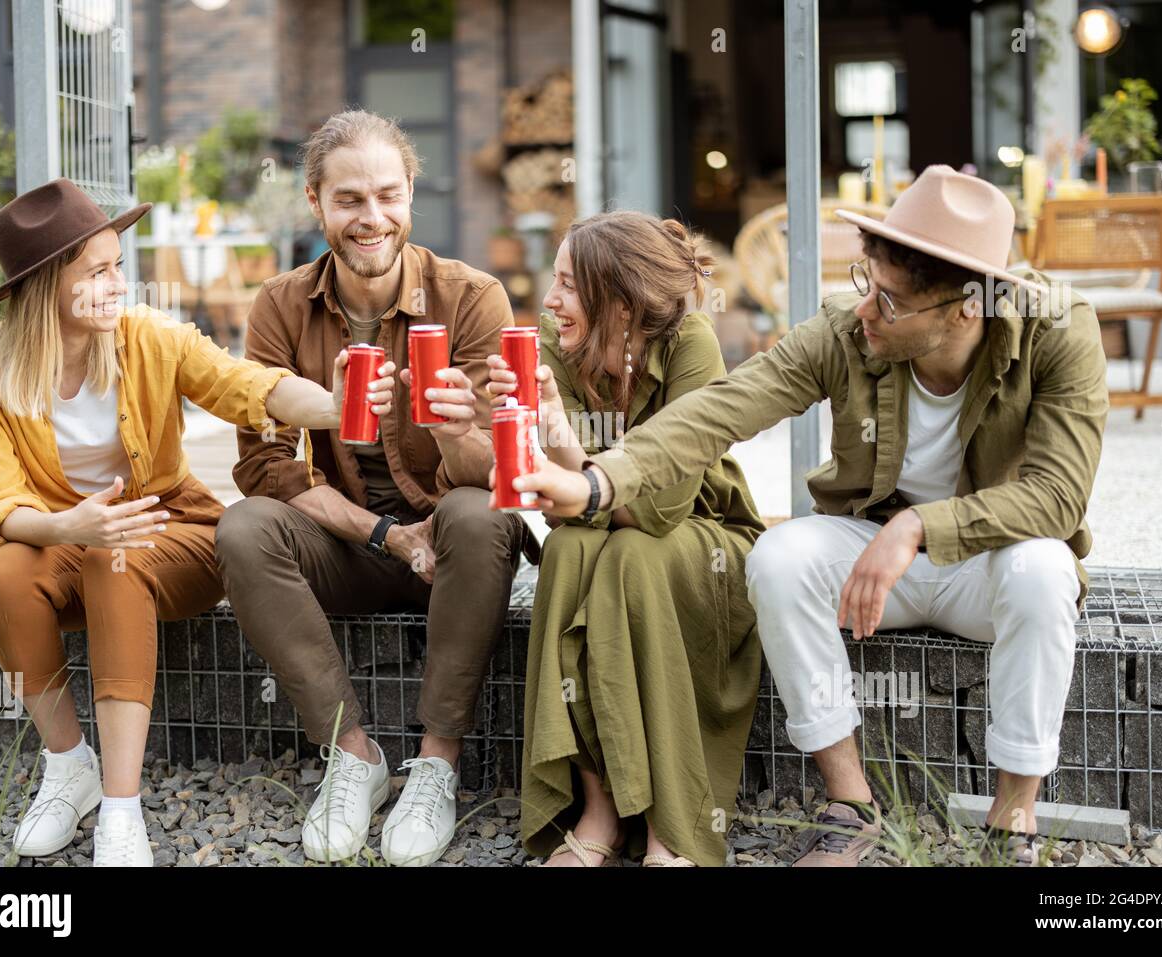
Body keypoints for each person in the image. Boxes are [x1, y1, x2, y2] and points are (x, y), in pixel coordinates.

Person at [510, 165, 1109, 867]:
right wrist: (600, 481)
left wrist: (918, 527)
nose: (865, 310)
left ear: (964, 310)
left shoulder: (1059, 331)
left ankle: (1014, 818)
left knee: (1045, 568)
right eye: (865, 282)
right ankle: (850, 803)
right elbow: (725, 408)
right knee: (780, 555)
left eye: (889, 300)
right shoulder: (844, 331)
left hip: (986, 567)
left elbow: (1057, 496)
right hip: (874, 567)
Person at [0, 178, 356, 866]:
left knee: (118, 553)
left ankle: (121, 807)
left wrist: (334, 408)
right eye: (98, 272)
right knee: (5, 578)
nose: (118, 284)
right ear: (48, 286)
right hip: (63, 540)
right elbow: (2, 507)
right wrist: (74, 524)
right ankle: (68, 766)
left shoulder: (147, 339)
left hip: (176, 536)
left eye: (117, 266)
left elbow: (248, 385)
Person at [214, 110, 529, 867]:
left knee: (481, 513)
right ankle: (352, 756)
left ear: (411, 191)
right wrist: (384, 533)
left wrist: (454, 428)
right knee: (244, 526)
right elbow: (264, 464)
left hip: (454, 556)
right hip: (350, 550)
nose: (372, 218)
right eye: (350, 199)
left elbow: (508, 474)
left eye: (389, 194)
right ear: (315, 200)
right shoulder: (280, 306)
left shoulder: (473, 298)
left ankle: (437, 763)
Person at [485, 211, 764, 867]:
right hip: (605, 534)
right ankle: (600, 808)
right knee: (571, 549)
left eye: (567, 285)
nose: (549, 301)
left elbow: (665, 504)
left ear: (621, 299)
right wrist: (549, 427)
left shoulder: (693, 343)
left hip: (711, 538)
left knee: (635, 553)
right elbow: (562, 510)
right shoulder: (558, 347)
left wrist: (575, 471)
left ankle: (674, 827)